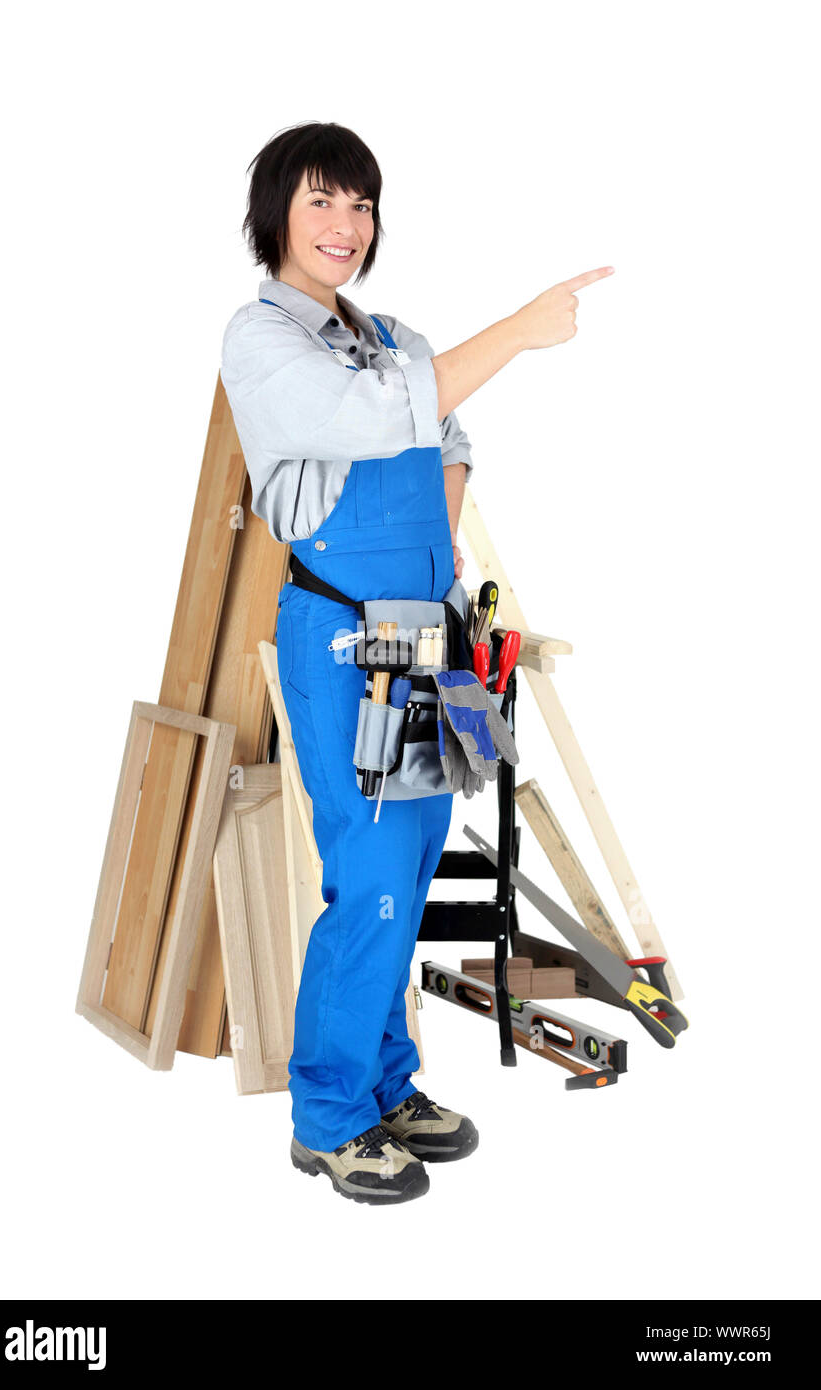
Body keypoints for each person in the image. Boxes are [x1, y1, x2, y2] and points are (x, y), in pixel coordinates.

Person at [220, 121, 613, 1205]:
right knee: (373, 883)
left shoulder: (392, 332)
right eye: (320, 203)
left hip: (425, 637)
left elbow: (447, 437)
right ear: (275, 218)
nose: (345, 225)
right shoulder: (262, 343)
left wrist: (434, 583)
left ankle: (389, 1085)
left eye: (360, 204)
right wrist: (521, 331)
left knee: (426, 846)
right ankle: (329, 1116)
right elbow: (379, 414)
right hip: (346, 642)